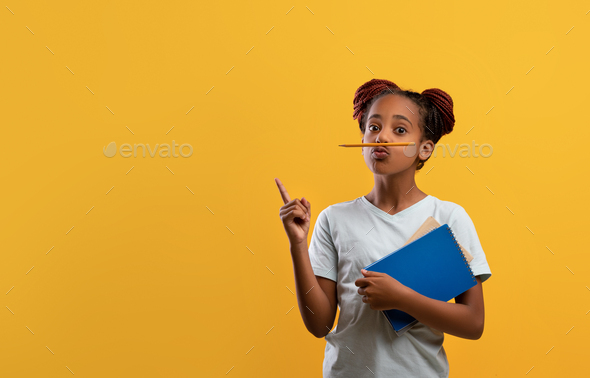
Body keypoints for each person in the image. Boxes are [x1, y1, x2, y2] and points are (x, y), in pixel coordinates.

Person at [275, 78, 492, 377]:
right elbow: (319, 325)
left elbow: (473, 323)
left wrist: (402, 298)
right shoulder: (333, 218)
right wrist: (298, 245)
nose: (381, 137)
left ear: (425, 149)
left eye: (399, 130)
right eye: (373, 127)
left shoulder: (449, 218)